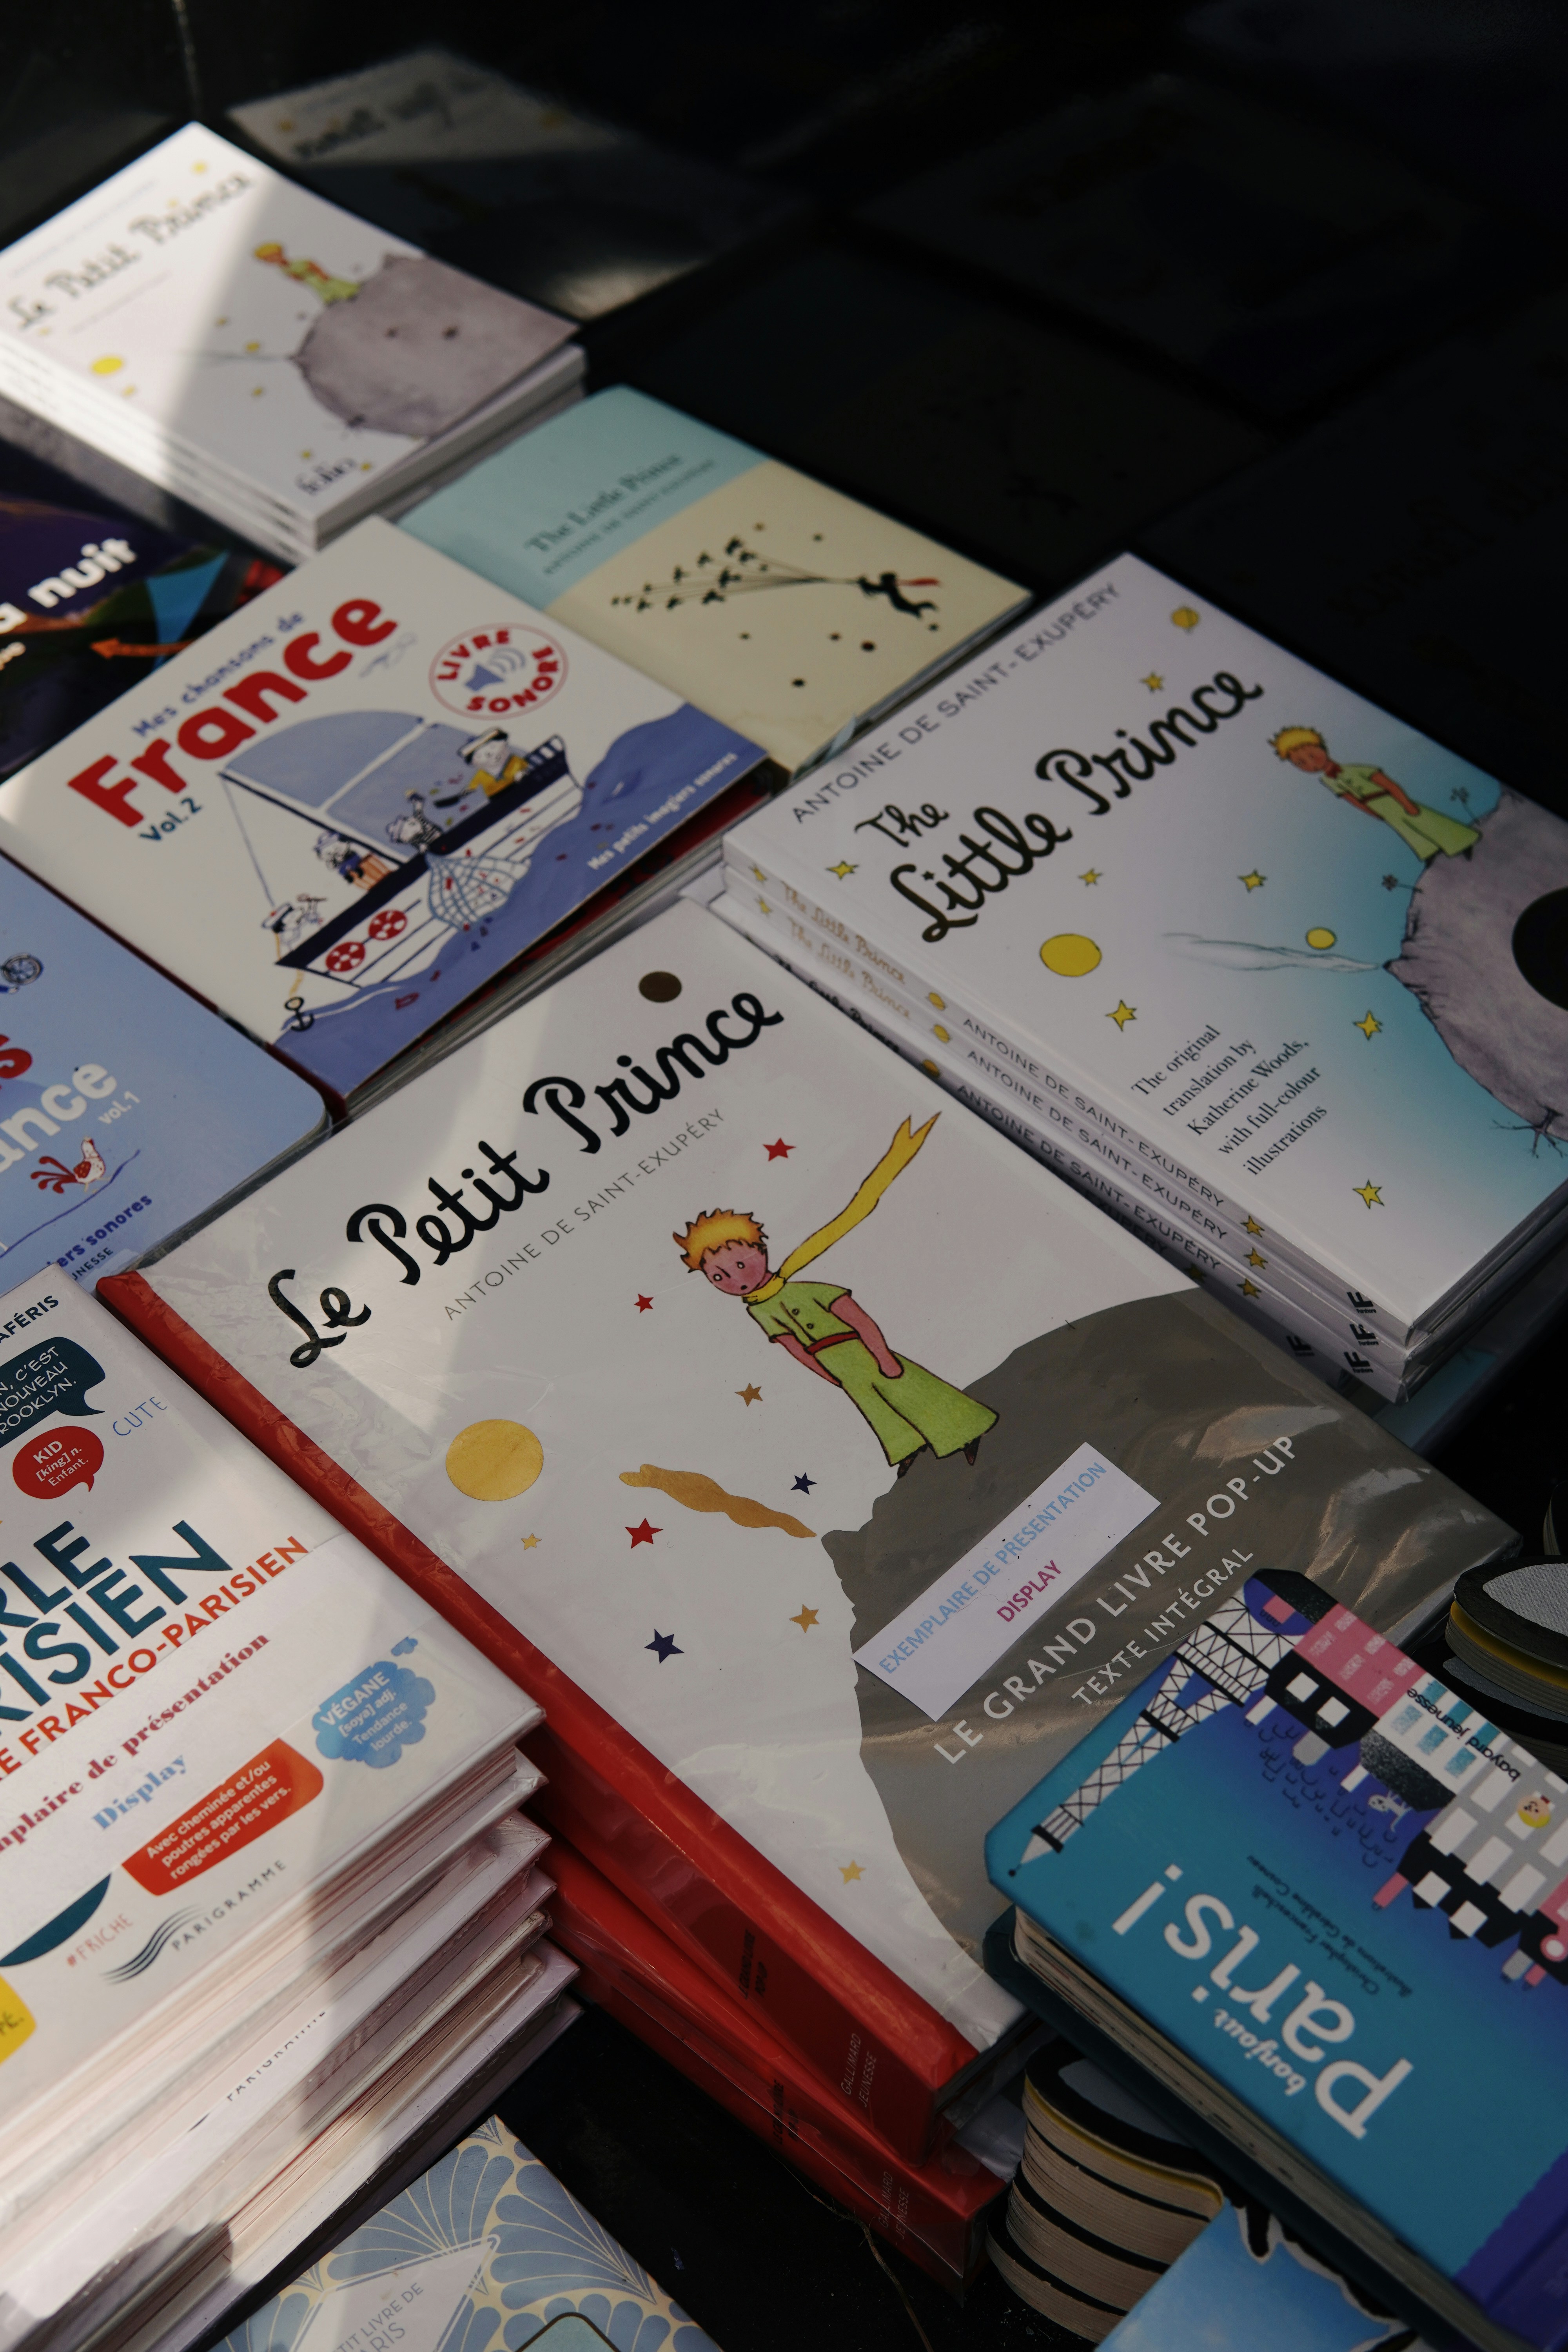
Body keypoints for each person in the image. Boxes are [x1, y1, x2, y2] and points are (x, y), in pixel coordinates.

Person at [676, 1205, 996, 1474]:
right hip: (836, 1366)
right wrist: (829, 1375)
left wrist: (883, 1355)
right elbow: (796, 1349)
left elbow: (860, 1320)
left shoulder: (808, 1289)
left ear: (760, 1250)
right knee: (874, 1407)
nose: (736, 1280)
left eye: (740, 1264)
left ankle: (965, 1433)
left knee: (911, 1389)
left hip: (860, 1349)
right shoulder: (761, 1311)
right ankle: (910, 1448)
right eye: (718, 1277)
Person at [1271, 725, 1479, 861]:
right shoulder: (1327, 780)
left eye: (1311, 755)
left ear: (1320, 747)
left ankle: (1462, 842)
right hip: (1379, 808)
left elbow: (1388, 784)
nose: (1311, 763)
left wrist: (1405, 802)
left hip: (1390, 799)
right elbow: (1351, 799)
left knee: (1423, 820)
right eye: (1300, 763)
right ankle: (1433, 855)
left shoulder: (1355, 769)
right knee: (1406, 831)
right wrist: (1373, 814)